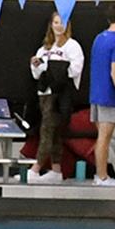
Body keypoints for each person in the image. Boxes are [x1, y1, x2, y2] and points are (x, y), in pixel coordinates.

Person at [29, 11, 83, 183]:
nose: (59, 26)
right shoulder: (44, 48)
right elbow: (36, 75)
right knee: (52, 133)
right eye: (56, 22)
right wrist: (36, 65)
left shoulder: (72, 46)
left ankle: (35, 168)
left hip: (59, 95)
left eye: (62, 22)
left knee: (48, 130)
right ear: (51, 24)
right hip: (44, 94)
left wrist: (56, 70)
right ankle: (56, 169)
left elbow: (75, 69)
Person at [90, 3, 115, 186]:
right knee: (105, 139)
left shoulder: (99, 38)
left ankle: (101, 175)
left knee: (102, 138)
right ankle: (102, 176)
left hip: (96, 94)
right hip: (108, 96)